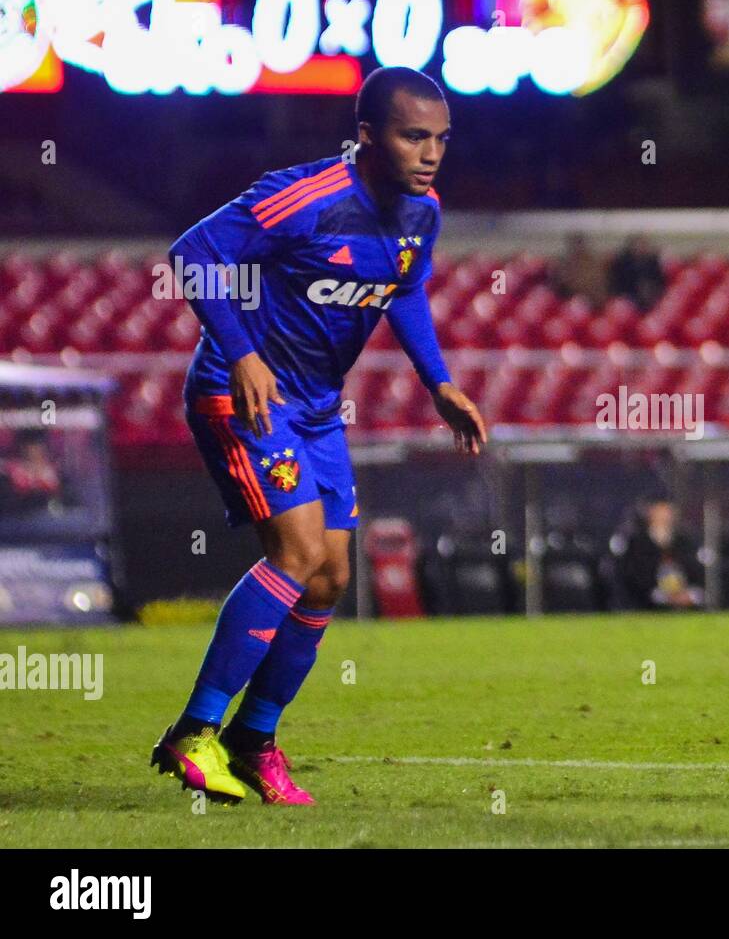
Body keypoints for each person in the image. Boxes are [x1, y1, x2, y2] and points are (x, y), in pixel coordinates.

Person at [153, 67, 487, 806]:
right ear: (367, 135)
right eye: (413, 136)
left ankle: (252, 739)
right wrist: (241, 352)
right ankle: (193, 730)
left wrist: (439, 382)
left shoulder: (421, 213)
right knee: (298, 551)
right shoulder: (306, 197)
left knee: (332, 573)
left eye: (440, 138)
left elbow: (403, 288)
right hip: (244, 397)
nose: (430, 153)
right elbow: (194, 253)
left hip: (316, 409)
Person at [616, 499, 704, 610]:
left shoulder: (684, 541)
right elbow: (634, 575)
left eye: (667, 510)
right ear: (650, 513)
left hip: (684, 593)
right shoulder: (637, 542)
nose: (664, 515)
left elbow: (695, 570)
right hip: (647, 600)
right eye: (660, 510)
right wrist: (663, 595)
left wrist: (686, 594)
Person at [609, 235, 666, 312]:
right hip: (628, 296)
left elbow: (660, 282)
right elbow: (617, 284)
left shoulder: (652, 263)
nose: (641, 248)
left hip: (651, 296)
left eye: (644, 245)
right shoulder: (622, 263)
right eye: (638, 245)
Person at [550, 232, 608, 304]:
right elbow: (563, 283)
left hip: (593, 300)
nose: (578, 248)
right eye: (575, 245)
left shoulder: (592, 262)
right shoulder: (565, 264)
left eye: (580, 244)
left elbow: (597, 281)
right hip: (571, 299)